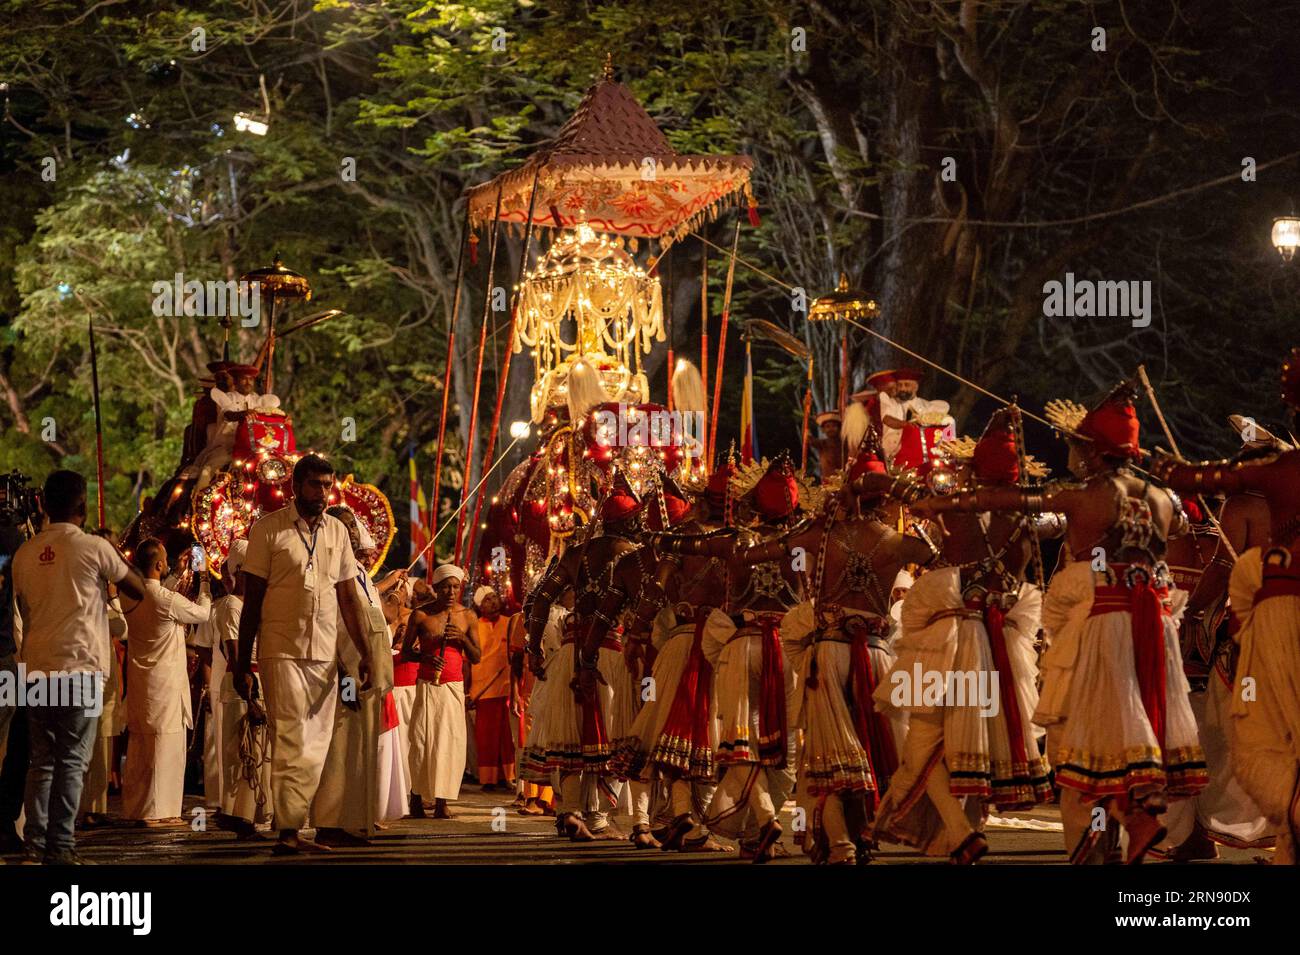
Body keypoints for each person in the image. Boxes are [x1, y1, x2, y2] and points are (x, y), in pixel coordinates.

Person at [917, 383, 1207, 864]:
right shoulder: (1163, 500)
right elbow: (1175, 535)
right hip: (1156, 625)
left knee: (1083, 749)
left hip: (1105, 624)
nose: (1071, 454)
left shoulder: (1079, 496)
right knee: (1132, 734)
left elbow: (1011, 500)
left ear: (1093, 450)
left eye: (1077, 445)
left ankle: (1129, 820)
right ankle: (1135, 811)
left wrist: (941, 504)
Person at [872, 411, 1056, 864]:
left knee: (925, 738)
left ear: (975, 468)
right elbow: (1059, 518)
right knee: (974, 742)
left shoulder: (951, 507)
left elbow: (910, 499)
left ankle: (956, 830)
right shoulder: (1033, 518)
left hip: (946, 640)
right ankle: (954, 829)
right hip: (1000, 648)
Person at [1151, 352, 1300, 864]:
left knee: (1226, 728)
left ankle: (1217, 829)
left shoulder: (1241, 505)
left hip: (1251, 623)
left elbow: (1219, 567)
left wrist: (1192, 614)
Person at [232, 454, 374, 855]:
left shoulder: (336, 533)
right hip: (282, 651)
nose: (323, 493)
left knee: (317, 743)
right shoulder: (268, 530)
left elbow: (348, 596)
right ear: (295, 486)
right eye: (315, 485)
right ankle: (288, 831)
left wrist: (363, 653)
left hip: (324, 653)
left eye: (328, 485)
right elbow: (252, 601)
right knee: (292, 738)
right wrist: (244, 663)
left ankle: (292, 825)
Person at [11, 470, 146, 864]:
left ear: (42, 505)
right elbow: (135, 586)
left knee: (43, 762)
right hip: (81, 671)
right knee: (72, 761)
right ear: (83, 506)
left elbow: (24, 609)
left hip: (37, 670)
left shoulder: (24, 553)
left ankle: (36, 842)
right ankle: (61, 846)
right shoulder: (93, 548)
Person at [312, 505, 406, 845]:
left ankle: (355, 820)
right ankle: (330, 824)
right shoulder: (330, 573)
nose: (352, 532)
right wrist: (344, 678)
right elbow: (332, 627)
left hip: (369, 679)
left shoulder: (361, 574)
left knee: (362, 748)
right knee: (341, 745)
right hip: (347, 676)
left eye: (353, 527)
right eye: (344, 526)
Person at [121, 537, 212, 825]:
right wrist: (205, 581)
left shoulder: (129, 597)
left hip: (141, 683)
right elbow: (203, 613)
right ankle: (159, 812)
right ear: (159, 563)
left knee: (140, 748)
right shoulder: (166, 600)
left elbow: (157, 596)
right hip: (166, 686)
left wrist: (173, 575)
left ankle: (138, 809)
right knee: (165, 748)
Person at [405, 563, 479, 819]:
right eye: (446, 586)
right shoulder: (420, 615)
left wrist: (462, 638)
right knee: (421, 743)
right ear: (436, 588)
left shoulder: (468, 616)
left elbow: (477, 656)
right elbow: (405, 652)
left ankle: (441, 802)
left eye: (455, 586)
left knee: (449, 744)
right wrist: (424, 658)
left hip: (453, 687)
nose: (451, 591)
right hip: (426, 686)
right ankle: (416, 798)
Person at [211, 539, 270, 838]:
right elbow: (237, 656)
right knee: (241, 753)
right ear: (239, 573)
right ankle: (237, 815)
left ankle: (246, 814)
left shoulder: (251, 605)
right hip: (243, 683)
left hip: (257, 681)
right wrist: (251, 699)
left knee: (254, 751)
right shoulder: (232, 606)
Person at [471, 586, 516, 792]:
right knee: (486, 737)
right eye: (488, 600)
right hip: (482, 688)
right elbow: (467, 660)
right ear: (480, 606)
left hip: (507, 687)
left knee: (507, 737)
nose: (494, 602)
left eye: (495, 598)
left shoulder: (510, 623)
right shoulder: (474, 625)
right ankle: (488, 779)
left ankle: (508, 777)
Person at [812, 411, 843, 477]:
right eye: (828, 426)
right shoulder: (821, 444)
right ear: (823, 430)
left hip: (845, 479)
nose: (831, 429)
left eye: (834, 426)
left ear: (839, 428)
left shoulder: (845, 443)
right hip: (828, 482)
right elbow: (807, 437)